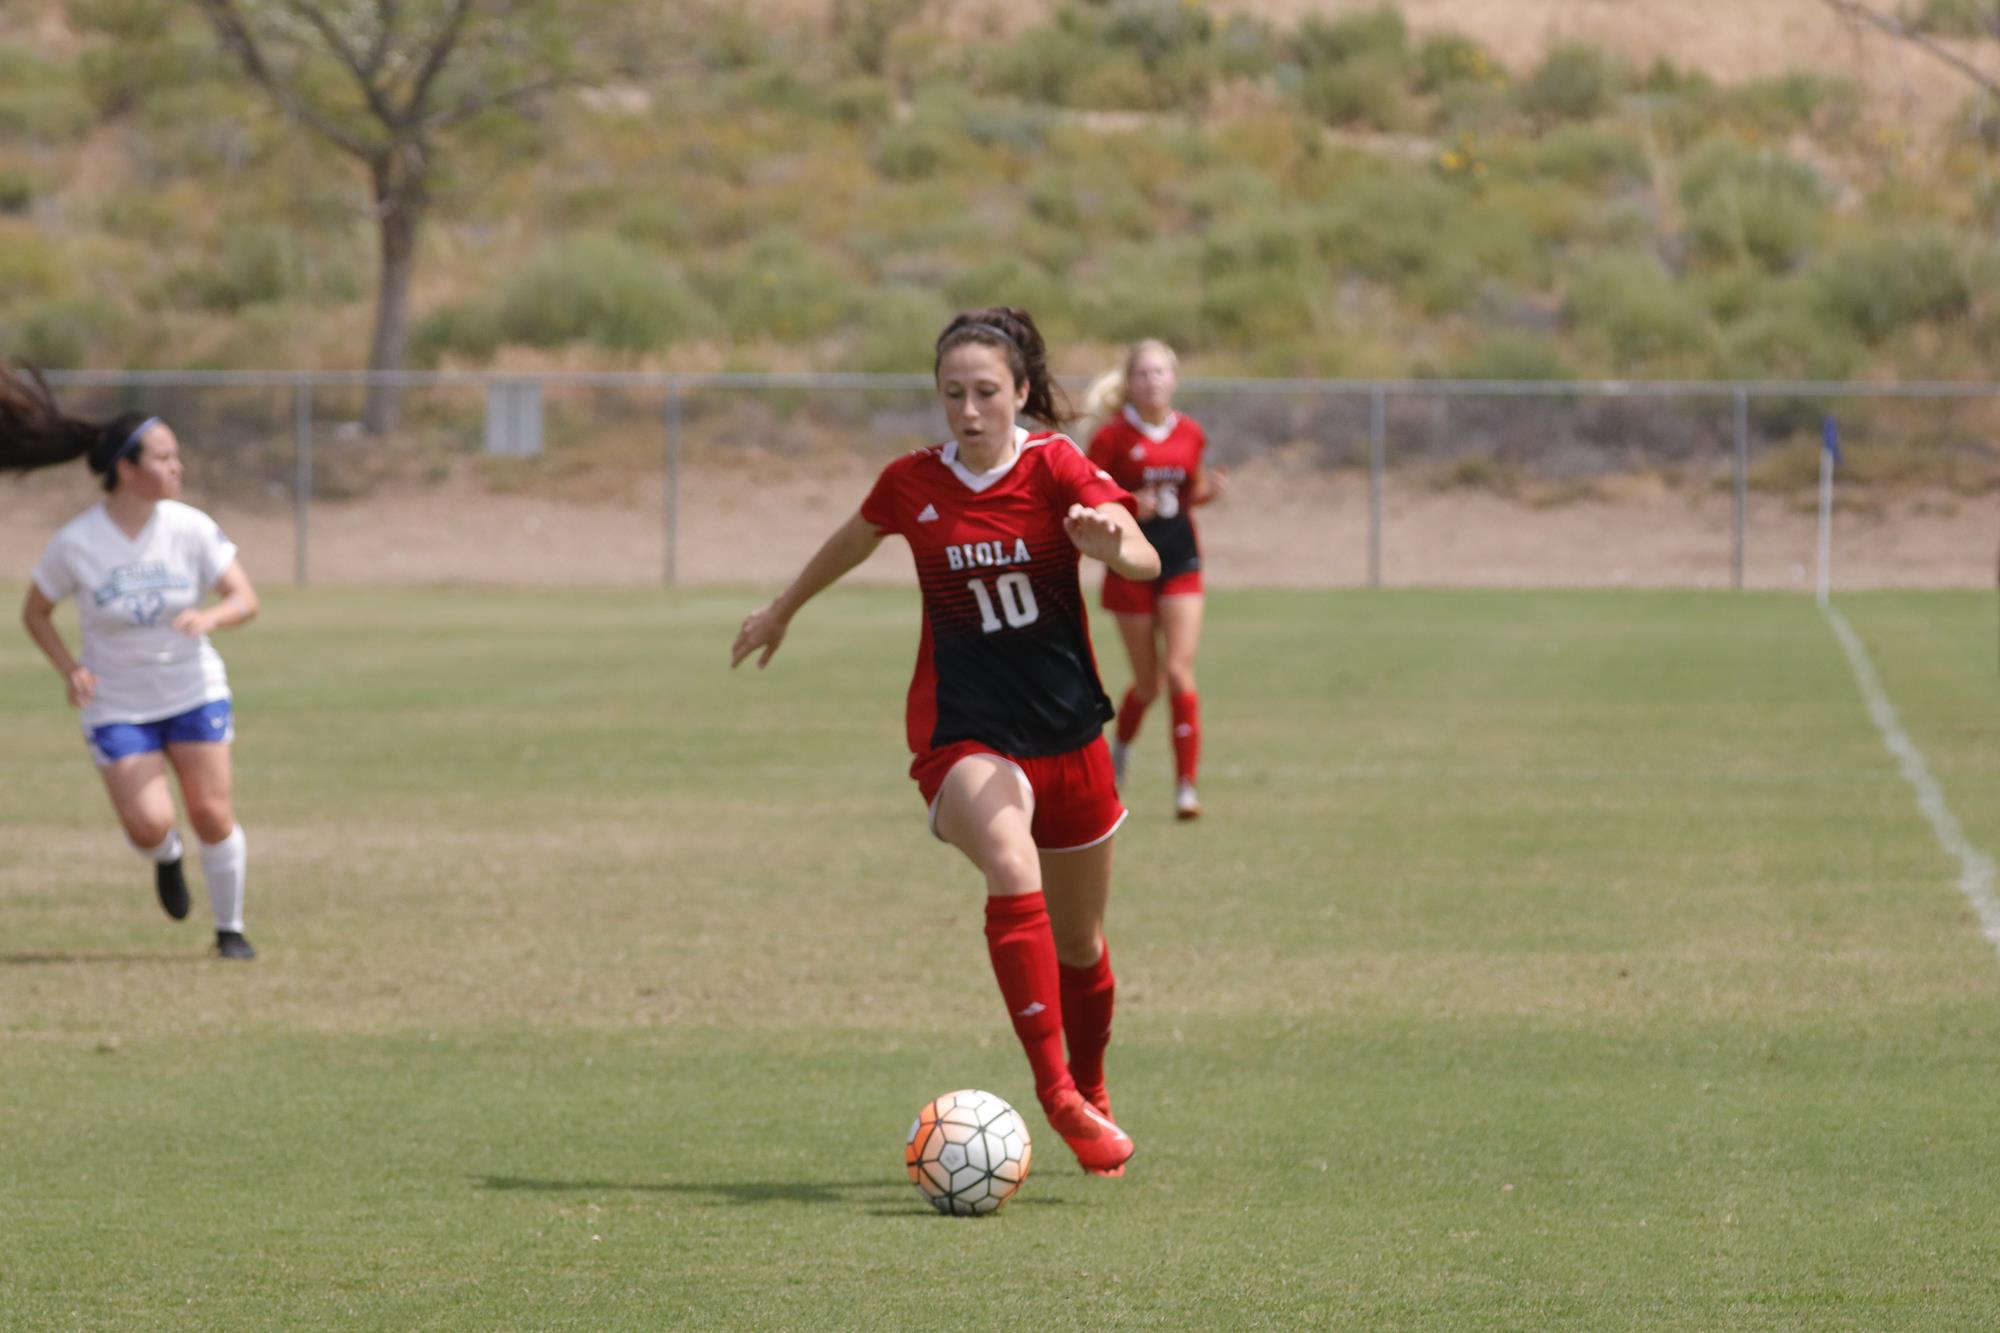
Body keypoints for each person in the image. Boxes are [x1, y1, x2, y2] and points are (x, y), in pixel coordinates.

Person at [731, 308, 1159, 1177]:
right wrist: (781, 607)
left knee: (1080, 943)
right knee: (1010, 859)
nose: (969, 411)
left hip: (1067, 727)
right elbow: (855, 536)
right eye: (953, 394)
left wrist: (1115, 547)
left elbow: (1143, 555)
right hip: (962, 728)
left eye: (987, 393)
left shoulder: (1055, 467)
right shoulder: (913, 482)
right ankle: (1057, 1096)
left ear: (1023, 393)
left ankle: (1094, 1083)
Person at [5, 365, 261, 960]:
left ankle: (231, 930)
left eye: (177, 456)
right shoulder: (77, 541)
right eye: (164, 457)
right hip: (118, 700)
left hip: (191, 687)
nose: (177, 467)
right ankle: (165, 856)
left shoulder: (191, 528)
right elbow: (36, 613)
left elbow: (244, 599)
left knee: (212, 812)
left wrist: (211, 618)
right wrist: (71, 667)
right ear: (126, 468)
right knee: (149, 824)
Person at [1083, 339, 1223, 820]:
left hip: (1181, 558)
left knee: (1181, 671)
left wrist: (1209, 493)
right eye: (1143, 374)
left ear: (1174, 379)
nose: (1153, 381)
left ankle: (1186, 787)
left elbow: (1191, 490)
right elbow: (1089, 498)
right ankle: (1120, 749)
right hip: (1129, 565)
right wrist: (1127, 503)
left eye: (1161, 372)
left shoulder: (1191, 432)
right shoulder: (1111, 438)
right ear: (1129, 383)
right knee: (1148, 684)